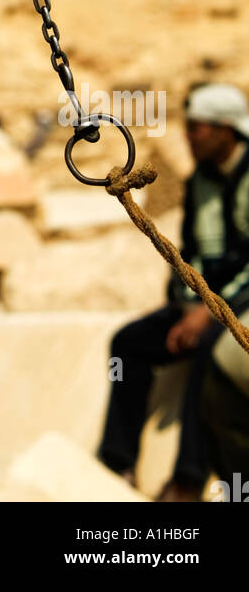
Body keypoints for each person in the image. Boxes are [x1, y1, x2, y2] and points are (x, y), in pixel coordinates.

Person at [98, 82, 249, 501]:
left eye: (197, 128)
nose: (188, 136)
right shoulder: (200, 179)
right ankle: (117, 463)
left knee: (211, 352)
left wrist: (211, 312)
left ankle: (188, 479)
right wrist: (188, 305)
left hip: (241, 305)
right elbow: (190, 254)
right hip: (204, 302)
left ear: (225, 129)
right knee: (128, 342)